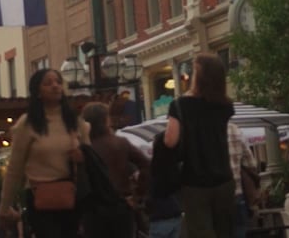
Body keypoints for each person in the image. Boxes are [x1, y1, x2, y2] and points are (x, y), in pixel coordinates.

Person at [0, 69, 88, 238]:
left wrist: (82, 157)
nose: (55, 86)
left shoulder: (74, 121)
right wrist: (4, 207)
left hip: (72, 197)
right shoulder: (28, 123)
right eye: (48, 83)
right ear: (38, 92)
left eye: (58, 82)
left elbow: (91, 157)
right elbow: (15, 169)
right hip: (40, 198)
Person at [164, 53, 238, 238]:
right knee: (225, 232)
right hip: (224, 179)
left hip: (194, 181)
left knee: (200, 231)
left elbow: (170, 141)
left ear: (199, 76)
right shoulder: (225, 106)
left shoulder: (180, 105)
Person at [82, 101, 148, 238]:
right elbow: (146, 165)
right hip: (122, 203)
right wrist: (139, 192)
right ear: (106, 120)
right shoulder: (120, 143)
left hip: (93, 208)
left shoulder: (84, 148)